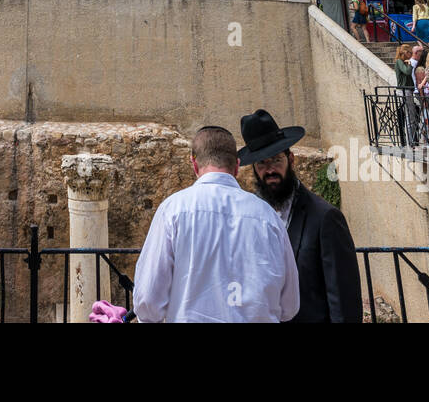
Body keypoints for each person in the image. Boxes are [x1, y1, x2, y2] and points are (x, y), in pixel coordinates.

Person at [133, 126, 299, 323]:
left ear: (194, 164)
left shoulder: (172, 211)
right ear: (237, 166)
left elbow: (148, 302)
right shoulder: (269, 218)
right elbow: (289, 305)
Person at [239, 110, 362, 323]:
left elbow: (344, 301)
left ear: (291, 159)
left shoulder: (325, 218)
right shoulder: (249, 217)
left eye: (276, 160)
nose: (270, 170)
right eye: (262, 164)